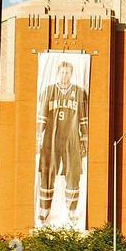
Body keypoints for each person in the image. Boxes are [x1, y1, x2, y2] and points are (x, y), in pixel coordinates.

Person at [35, 58, 89, 224]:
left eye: (67, 72)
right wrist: (38, 138)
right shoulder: (49, 90)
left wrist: (85, 140)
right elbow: (42, 117)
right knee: (46, 173)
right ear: (57, 73)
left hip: (72, 139)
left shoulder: (80, 92)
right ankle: (44, 208)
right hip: (52, 138)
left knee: (73, 175)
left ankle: (72, 210)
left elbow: (83, 119)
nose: (64, 75)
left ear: (71, 74)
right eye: (62, 72)